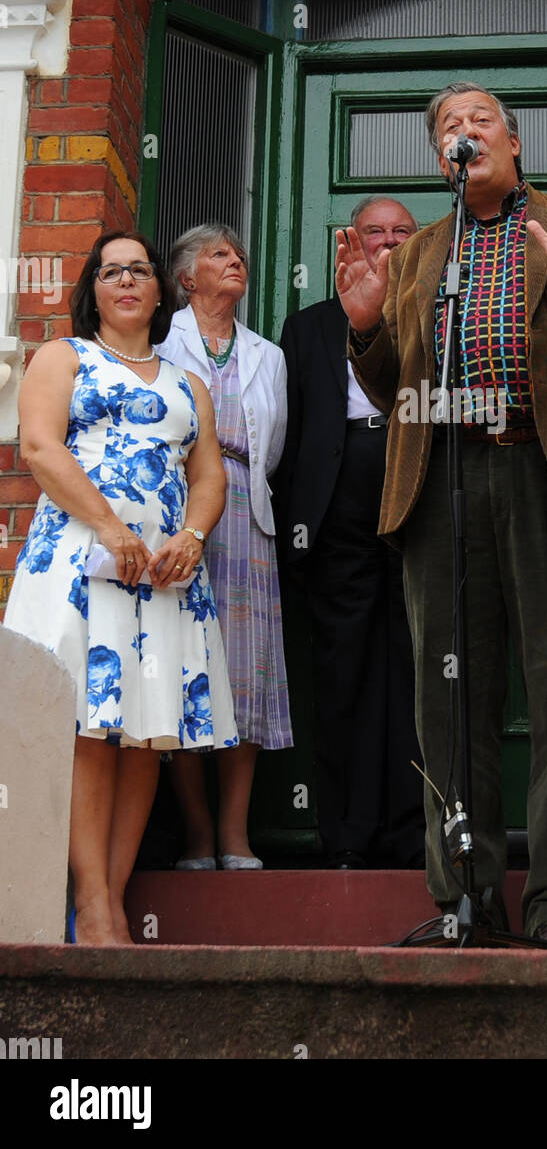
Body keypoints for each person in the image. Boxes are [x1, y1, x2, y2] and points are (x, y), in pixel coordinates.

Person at [336, 83, 547, 947]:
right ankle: (466, 901)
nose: (465, 132)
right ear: (439, 156)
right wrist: (366, 332)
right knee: (449, 706)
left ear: (513, 143)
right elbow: (389, 386)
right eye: (450, 126)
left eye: (480, 121)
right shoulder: (417, 255)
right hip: (440, 483)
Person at [5, 230, 238, 945]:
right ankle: (95, 909)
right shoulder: (64, 357)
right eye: (111, 272)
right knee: (87, 728)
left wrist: (192, 538)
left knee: (145, 732)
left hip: (161, 581)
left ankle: (108, 895)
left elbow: (210, 476)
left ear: (160, 288)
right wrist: (109, 527)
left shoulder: (185, 383)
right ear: (93, 290)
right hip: (83, 564)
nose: (127, 281)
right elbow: (40, 446)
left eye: (139, 269)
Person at [276, 197, 424, 869]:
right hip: (336, 511)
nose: (388, 243)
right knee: (344, 671)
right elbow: (292, 434)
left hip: (418, 502)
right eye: (375, 233)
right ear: (351, 243)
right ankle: (347, 836)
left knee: (420, 667)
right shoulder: (307, 329)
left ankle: (411, 831)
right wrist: (294, 524)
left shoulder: (437, 312)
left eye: (402, 233)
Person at [156, 224, 292, 870]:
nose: (236, 261)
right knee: (186, 670)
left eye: (239, 254)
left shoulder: (268, 353)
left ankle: (236, 836)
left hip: (246, 512)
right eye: (219, 255)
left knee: (245, 677)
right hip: (179, 508)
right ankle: (198, 836)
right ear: (187, 278)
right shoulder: (161, 346)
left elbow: (278, 445)